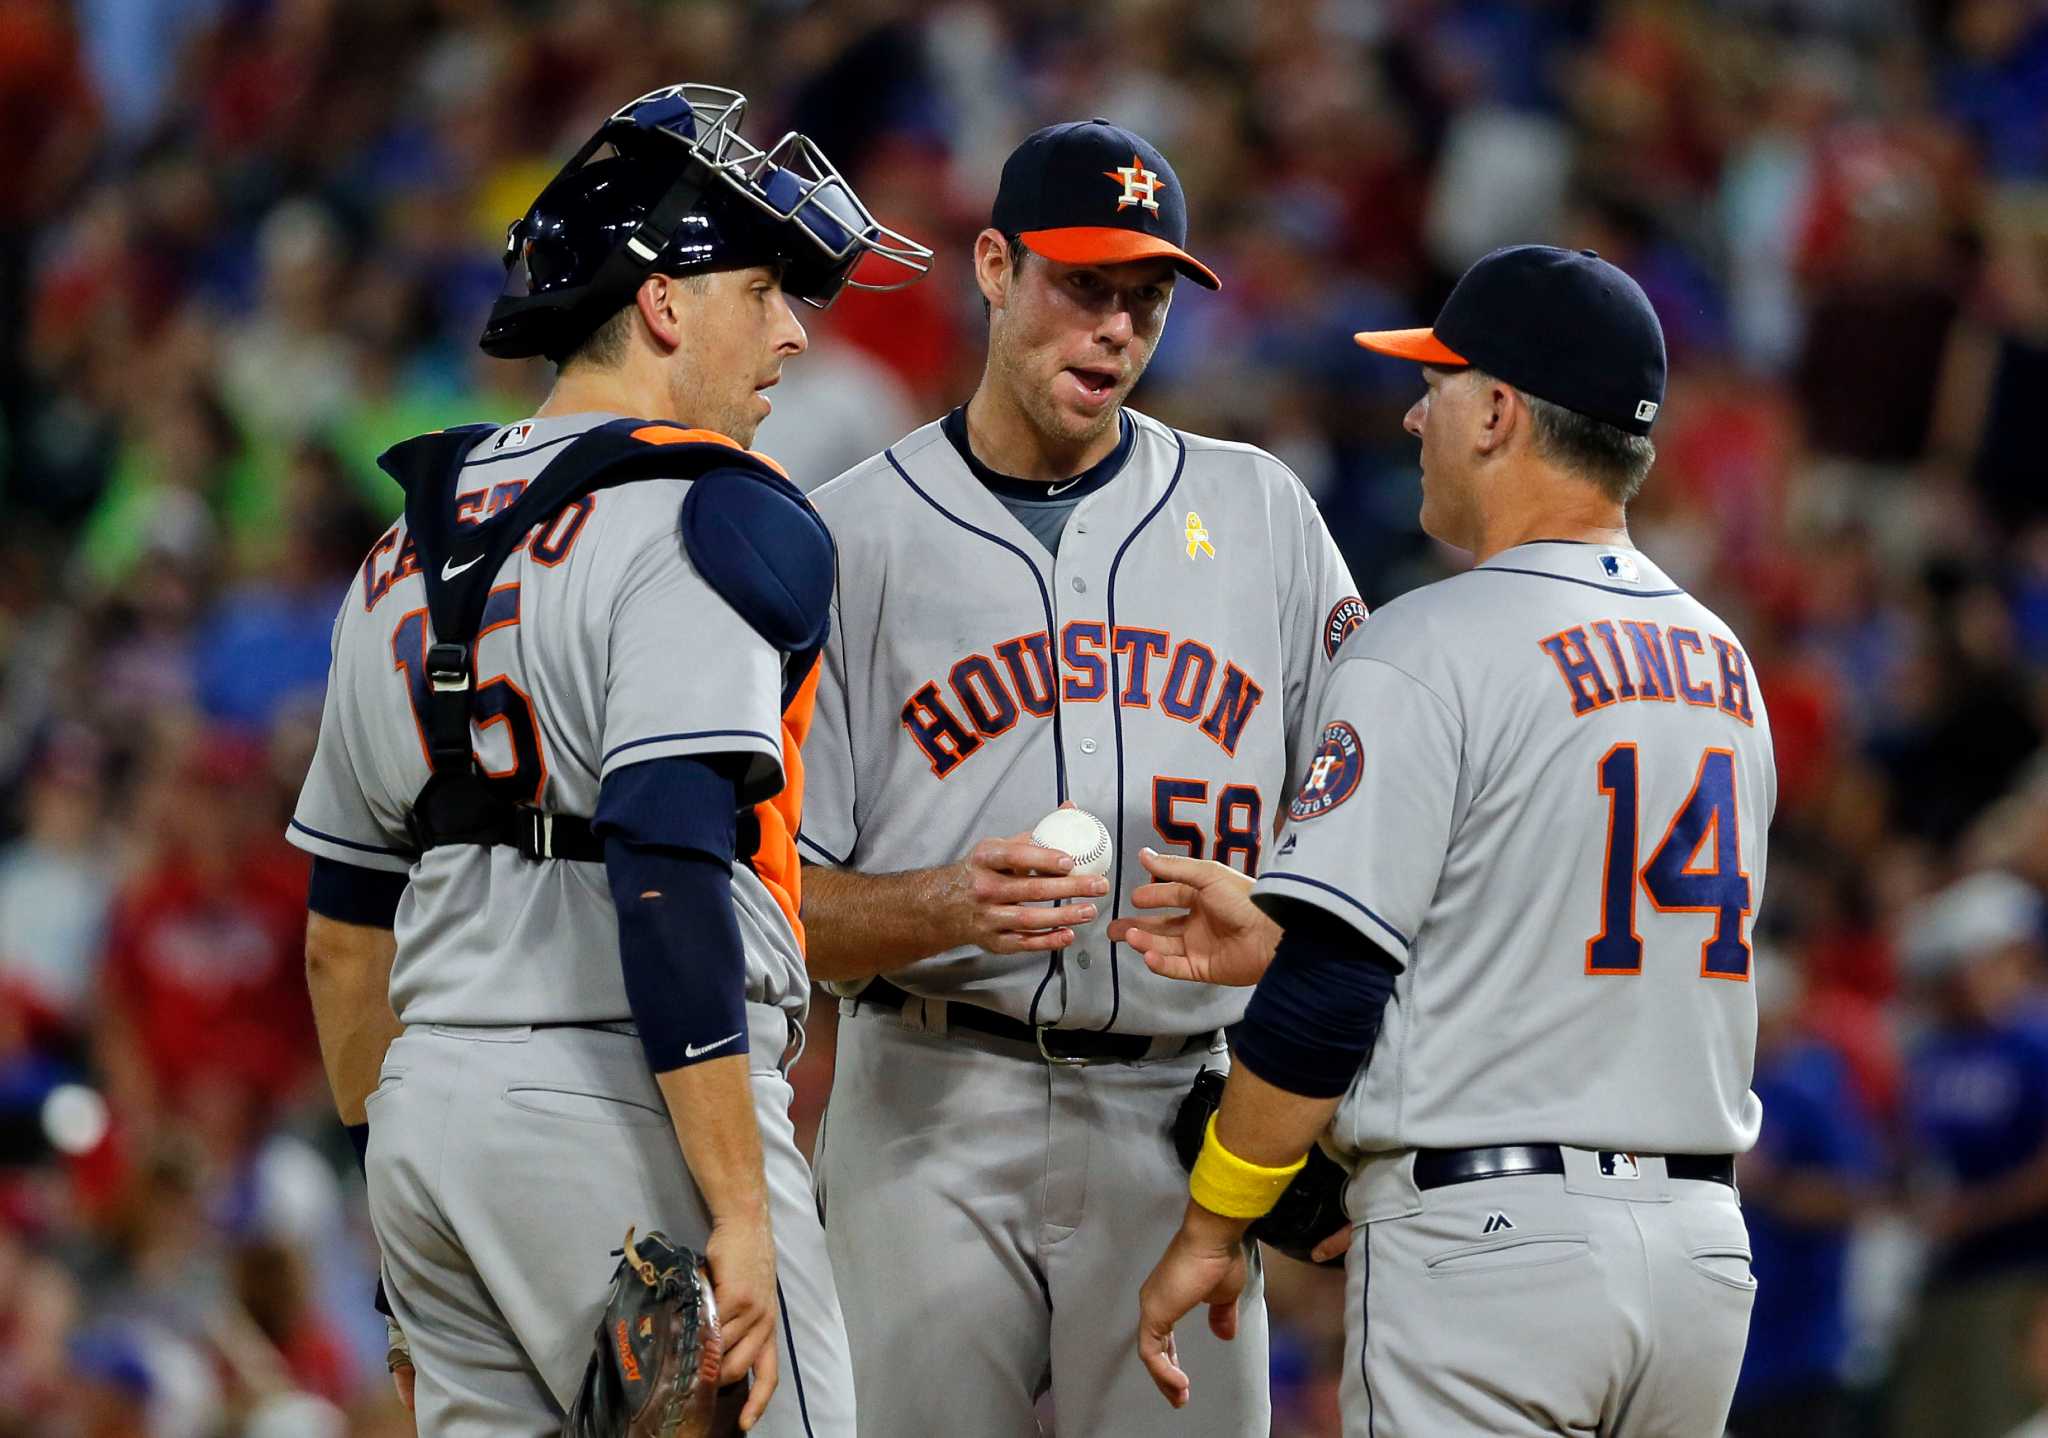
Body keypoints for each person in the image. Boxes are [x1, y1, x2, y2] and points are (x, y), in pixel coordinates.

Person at [287, 83, 928, 1436]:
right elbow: (664, 856)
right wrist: (741, 1206)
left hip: (425, 1123)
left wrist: (397, 1200)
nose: (795, 332)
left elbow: (344, 939)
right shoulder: (708, 512)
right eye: (765, 290)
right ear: (664, 303)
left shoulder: (396, 551)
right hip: (623, 1106)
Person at [1117, 245, 1775, 1436]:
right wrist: (1280, 931)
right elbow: (1544, 929)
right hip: (1697, 1258)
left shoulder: (1429, 641)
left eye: (1439, 382)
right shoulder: (1722, 663)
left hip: (1492, 1257)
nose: (1414, 412)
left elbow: (1331, 994)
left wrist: (1211, 1222)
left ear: (1498, 413)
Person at [795, 118, 1362, 1436]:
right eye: (1083, 286)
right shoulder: (847, 536)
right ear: (992, 266)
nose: (1114, 329)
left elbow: (1376, 824)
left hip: (1181, 1115)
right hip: (927, 1106)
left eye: (1144, 300)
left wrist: (1306, 1013)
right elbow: (769, 904)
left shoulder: (1263, 514)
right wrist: (939, 908)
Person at [1891, 870, 2048, 1438]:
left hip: (2019, 1273)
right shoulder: (1938, 1046)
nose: (1966, 978)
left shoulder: (2035, 1041)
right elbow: (1913, 1151)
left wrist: (1973, 1211)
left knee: (1999, 1418)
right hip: (1940, 1272)